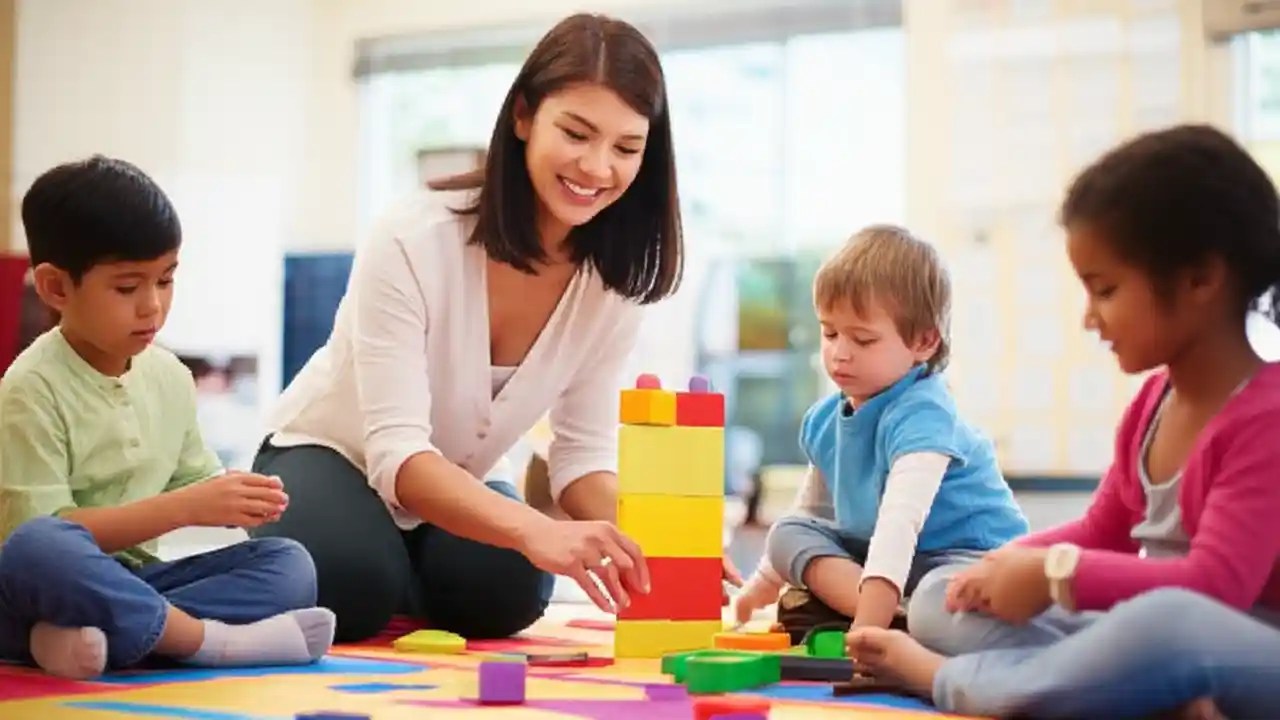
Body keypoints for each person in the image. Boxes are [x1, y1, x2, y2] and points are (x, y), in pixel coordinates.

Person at [249, 13, 739, 643]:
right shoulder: (412, 236)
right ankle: (372, 557)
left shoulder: (612, 282)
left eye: (626, 147)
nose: (596, 167)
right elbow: (397, 450)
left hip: (458, 472)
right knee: (349, 583)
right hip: (331, 451)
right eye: (577, 133)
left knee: (507, 594)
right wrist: (533, 528)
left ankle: (407, 562)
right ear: (525, 118)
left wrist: (664, 543)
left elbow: (580, 458)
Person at [848, 125, 1280, 718]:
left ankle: (951, 680)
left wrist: (1054, 575)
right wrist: (1003, 567)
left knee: (1168, 625)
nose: (1089, 319)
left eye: (1105, 291)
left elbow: (1215, 587)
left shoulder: (1267, 417)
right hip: (1154, 635)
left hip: (1245, 646)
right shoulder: (1156, 401)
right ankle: (1142, 696)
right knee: (938, 596)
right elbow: (1105, 528)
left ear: (1200, 279)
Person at [0, 156, 335, 680]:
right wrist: (184, 508)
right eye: (127, 288)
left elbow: (192, 483)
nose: (152, 306)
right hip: (41, 586)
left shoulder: (169, 375)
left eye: (166, 280)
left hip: (135, 583)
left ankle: (78, 641)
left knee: (288, 565)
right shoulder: (29, 389)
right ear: (56, 289)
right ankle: (203, 641)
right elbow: (41, 537)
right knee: (39, 546)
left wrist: (233, 498)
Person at [731, 225, 1028, 635]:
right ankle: (896, 617)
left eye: (864, 340)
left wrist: (866, 630)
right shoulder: (824, 419)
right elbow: (813, 511)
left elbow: (899, 521)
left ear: (924, 343)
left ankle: (887, 618)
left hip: (965, 560)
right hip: (889, 565)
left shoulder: (924, 413)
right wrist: (763, 584)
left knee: (941, 598)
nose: (839, 352)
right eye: (830, 332)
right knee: (787, 533)